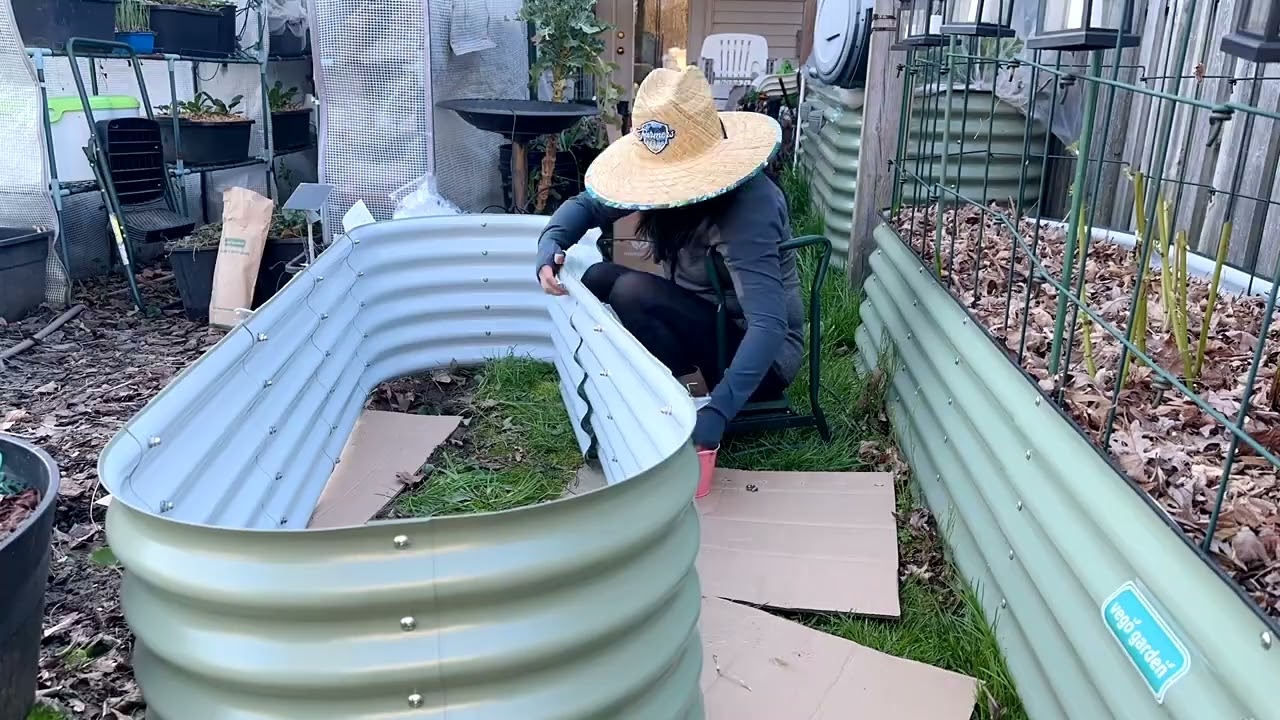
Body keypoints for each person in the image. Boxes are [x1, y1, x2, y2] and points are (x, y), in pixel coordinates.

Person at [534, 66, 804, 452]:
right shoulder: (663, 192)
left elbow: (768, 324)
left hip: (762, 358)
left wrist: (718, 412)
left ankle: (688, 394)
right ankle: (654, 385)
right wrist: (551, 244)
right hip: (706, 323)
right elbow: (590, 206)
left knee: (631, 291)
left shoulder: (749, 208)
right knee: (597, 277)